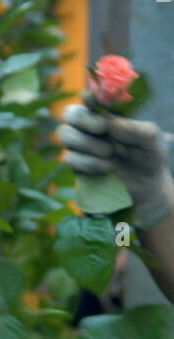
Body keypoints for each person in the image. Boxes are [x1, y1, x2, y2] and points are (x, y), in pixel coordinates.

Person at [58, 100, 174, 302]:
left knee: (121, 229)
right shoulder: (103, 165)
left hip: (119, 225)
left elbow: (121, 226)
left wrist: (120, 254)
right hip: (113, 224)